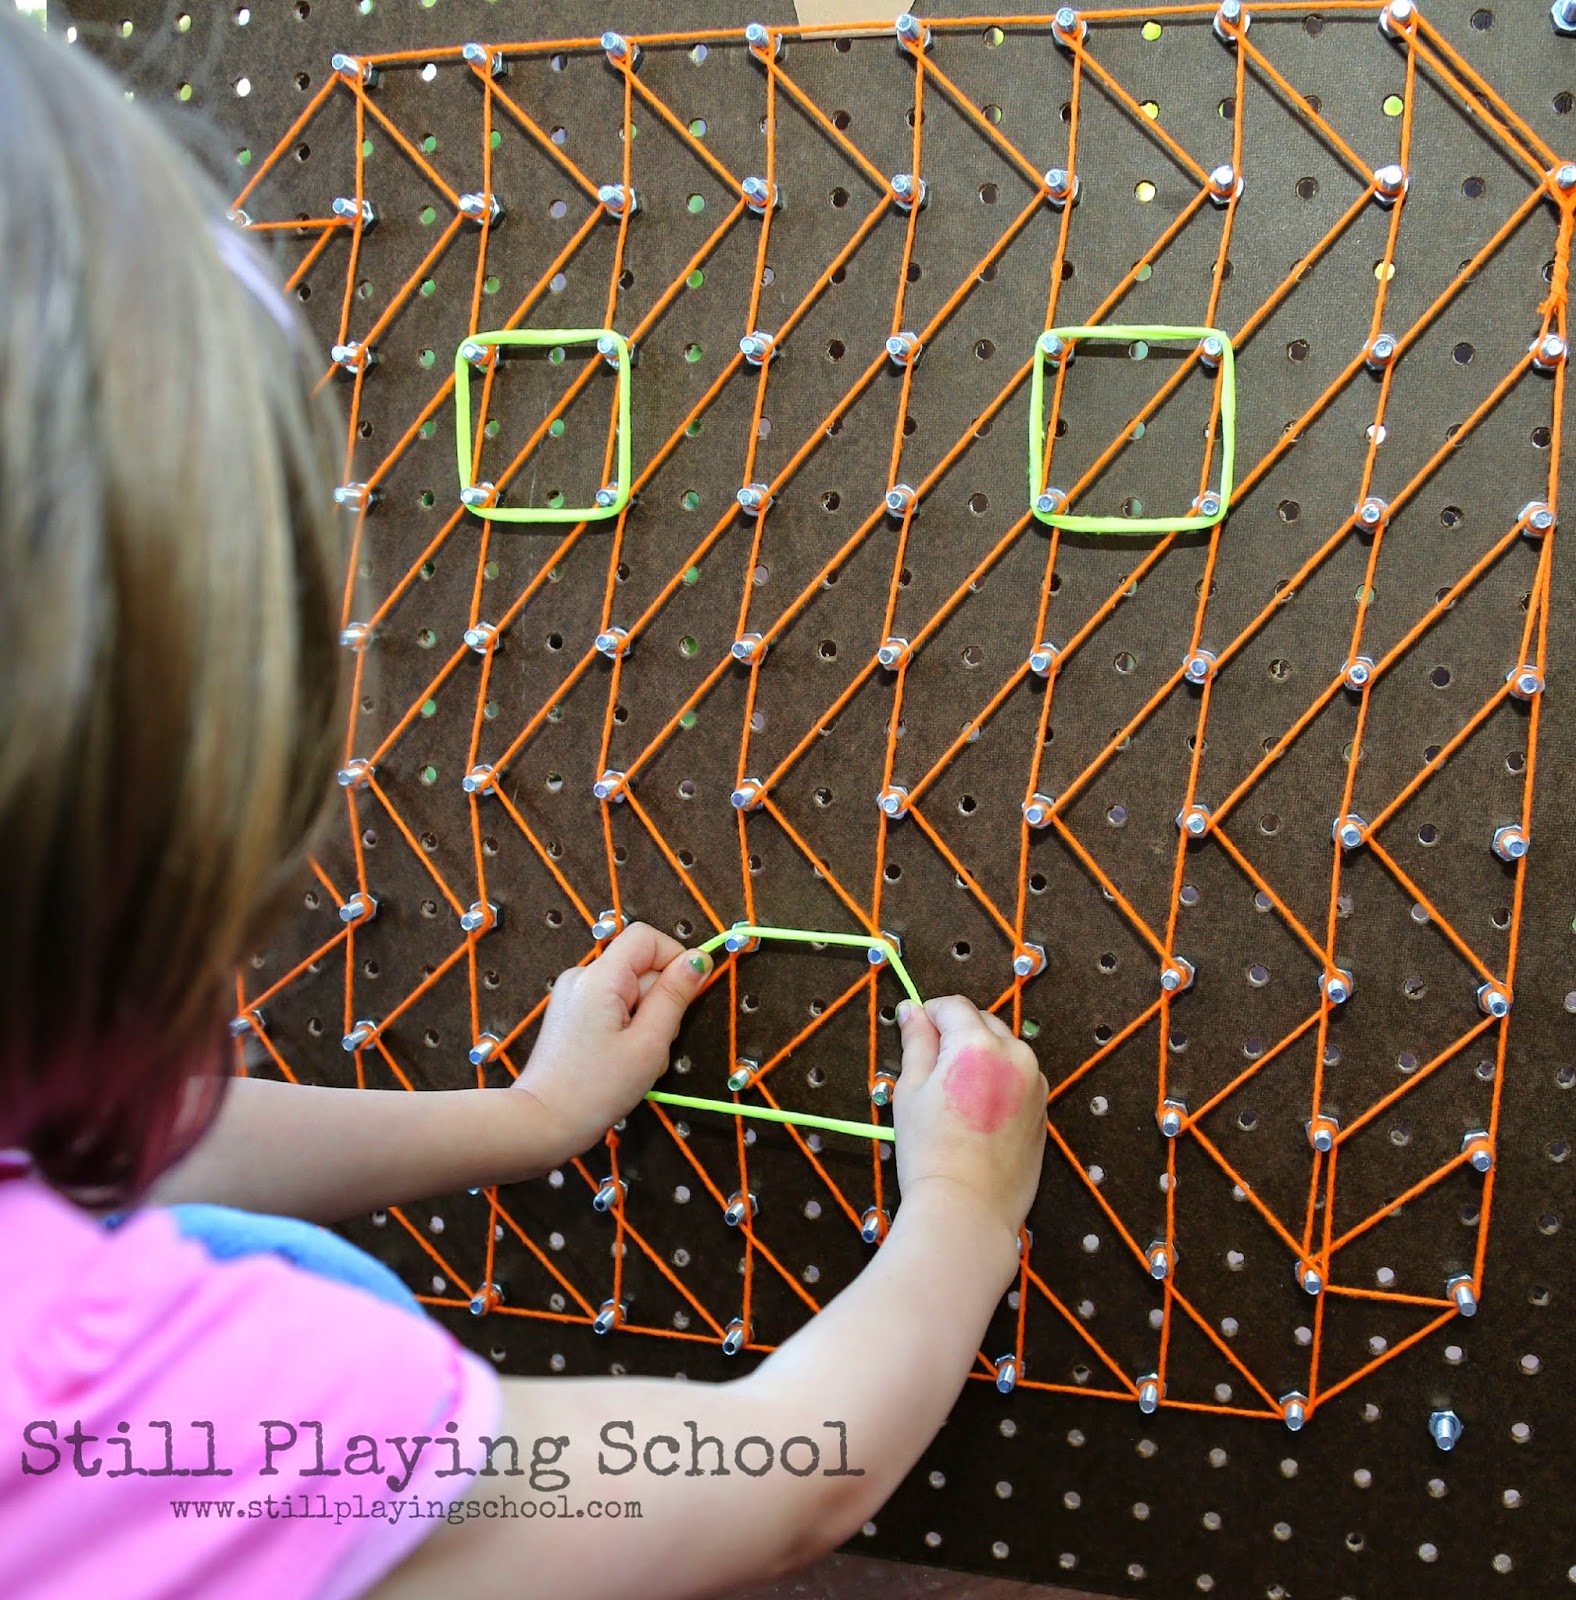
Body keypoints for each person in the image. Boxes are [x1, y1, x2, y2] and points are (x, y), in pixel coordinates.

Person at [0, 13, 1049, 1599]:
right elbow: (769, 1479)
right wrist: (966, 1211)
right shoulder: (140, 1403)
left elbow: (120, 1150)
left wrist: (531, 1121)